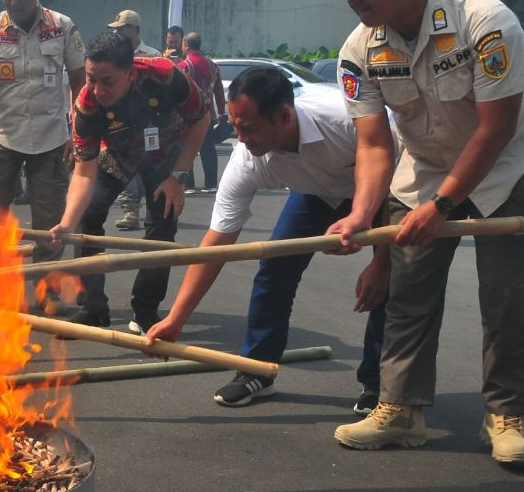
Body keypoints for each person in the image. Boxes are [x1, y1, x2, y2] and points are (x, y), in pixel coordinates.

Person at [320, 0, 524, 464]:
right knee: (409, 292)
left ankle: (507, 414)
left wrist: (443, 206)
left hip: (506, 166)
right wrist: (358, 215)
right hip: (423, 167)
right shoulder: (359, 50)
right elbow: (375, 146)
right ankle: (401, 408)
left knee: (510, 292)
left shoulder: (485, 22)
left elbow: (495, 129)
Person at [145, 66, 390, 414]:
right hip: (315, 193)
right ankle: (256, 370)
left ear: (283, 116)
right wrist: (177, 319)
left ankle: (378, 385)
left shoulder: (344, 121)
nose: (241, 139)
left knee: (389, 282)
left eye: (248, 129)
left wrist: (382, 262)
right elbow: (216, 244)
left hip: (385, 189)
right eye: (235, 127)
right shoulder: (247, 160)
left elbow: (400, 176)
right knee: (275, 267)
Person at [50, 32, 208, 334]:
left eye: (107, 81)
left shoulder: (164, 75)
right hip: (120, 154)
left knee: (162, 226)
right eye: (91, 78)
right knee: (87, 217)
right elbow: (84, 173)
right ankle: (93, 307)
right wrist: (66, 225)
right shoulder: (86, 105)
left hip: (167, 154)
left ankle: (146, 312)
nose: (97, 89)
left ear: (131, 73)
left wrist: (178, 177)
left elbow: (201, 119)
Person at [0, 0, 86, 314]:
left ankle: (47, 295)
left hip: (52, 138)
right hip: (1, 136)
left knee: (51, 224)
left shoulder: (62, 27)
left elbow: (80, 81)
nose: (13, 1)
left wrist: (76, 131)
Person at [108, 10, 162, 231]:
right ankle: (130, 211)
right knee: (124, 164)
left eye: (121, 28)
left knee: (149, 167)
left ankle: (153, 210)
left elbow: (162, 88)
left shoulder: (153, 55)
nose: (118, 32)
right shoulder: (114, 53)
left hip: (149, 122)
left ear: (133, 29)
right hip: (121, 121)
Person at [177, 31, 228, 193]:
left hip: (188, 115)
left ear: (186, 45)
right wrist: (221, 112)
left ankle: (189, 184)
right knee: (208, 149)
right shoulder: (213, 66)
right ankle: (211, 184)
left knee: (187, 147)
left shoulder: (184, 66)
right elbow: (219, 92)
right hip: (208, 114)